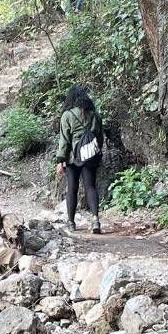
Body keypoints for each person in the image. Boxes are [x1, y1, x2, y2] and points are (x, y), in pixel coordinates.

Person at [54, 84, 104, 233]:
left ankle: (71, 222)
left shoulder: (67, 115)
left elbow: (64, 140)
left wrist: (60, 160)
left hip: (72, 158)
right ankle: (95, 220)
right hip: (90, 156)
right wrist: (95, 152)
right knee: (90, 186)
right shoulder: (94, 114)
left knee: (72, 189)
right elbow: (99, 136)